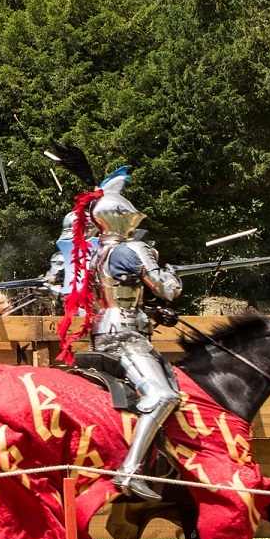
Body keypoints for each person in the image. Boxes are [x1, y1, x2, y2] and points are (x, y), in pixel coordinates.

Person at [85, 168, 183, 500]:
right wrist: (172, 273)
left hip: (105, 329)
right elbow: (168, 289)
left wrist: (152, 311)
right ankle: (129, 472)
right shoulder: (131, 250)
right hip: (125, 336)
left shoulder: (93, 252)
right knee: (162, 396)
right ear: (124, 218)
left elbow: (116, 293)